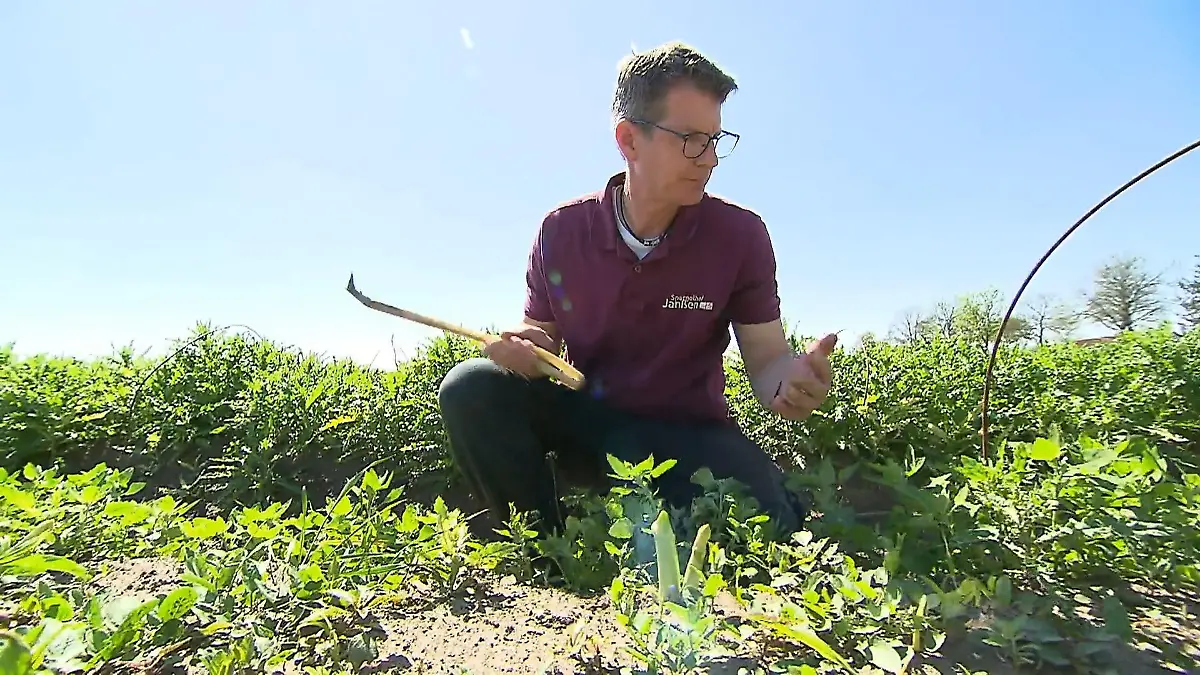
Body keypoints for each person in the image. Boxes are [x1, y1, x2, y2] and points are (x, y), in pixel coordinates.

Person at [437, 41, 837, 539]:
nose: (709, 158)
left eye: (716, 139)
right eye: (691, 139)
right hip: (592, 425)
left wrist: (788, 381)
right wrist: (525, 346)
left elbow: (767, 359)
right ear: (629, 139)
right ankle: (543, 553)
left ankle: (769, 493)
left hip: (691, 434)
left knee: (765, 528)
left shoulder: (740, 236)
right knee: (471, 385)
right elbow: (540, 336)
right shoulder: (561, 232)